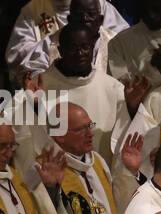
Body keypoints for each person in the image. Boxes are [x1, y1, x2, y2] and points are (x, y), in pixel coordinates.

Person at [27, 21, 149, 163]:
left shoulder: (113, 88)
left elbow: (129, 137)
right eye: (73, 48)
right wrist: (35, 107)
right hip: (54, 175)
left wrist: (131, 108)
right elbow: (24, 138)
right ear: (60, 51)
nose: (80, 53)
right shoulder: (37, 86)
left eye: (85, 47)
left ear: (93, 47)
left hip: (100, 175)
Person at [6, 0, 129, 86]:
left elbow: (124, 39)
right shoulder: (32, 11)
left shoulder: (96, 2)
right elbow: (16, 55)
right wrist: (52, 47)